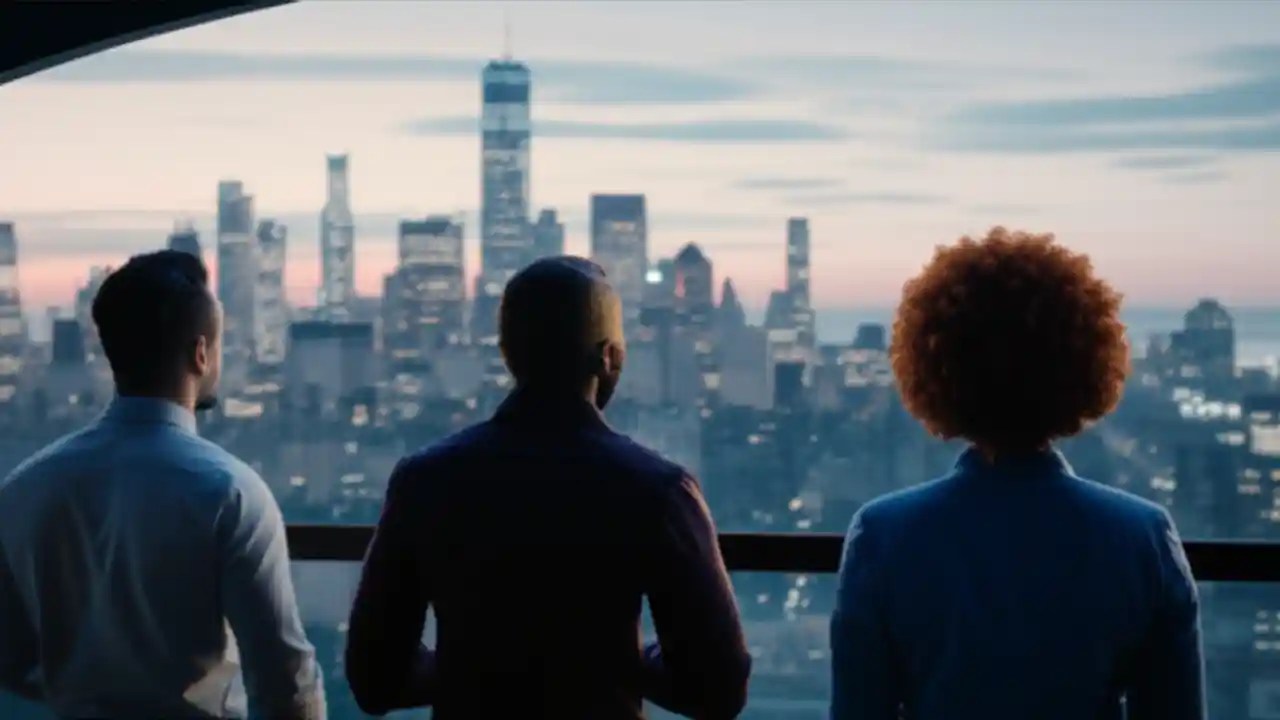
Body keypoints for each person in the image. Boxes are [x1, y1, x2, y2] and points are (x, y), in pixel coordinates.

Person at [346, 256, 751, 719]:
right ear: (608, 356)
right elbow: (718, 686)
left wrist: (478, 666)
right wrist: (614, 661)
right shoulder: (657, 491)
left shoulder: (425, 481)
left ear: (508, 352)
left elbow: (374, 679)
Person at [830, 228, 1204, 720]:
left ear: (932, 366)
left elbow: (858, 712)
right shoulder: (1143, 537)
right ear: (1086, 363)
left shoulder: (883, 534)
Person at [0, 250, 325, 719]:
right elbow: (283, 674)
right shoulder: (229, 492)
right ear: (200, 353)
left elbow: (9, 658)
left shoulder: (25, 488)